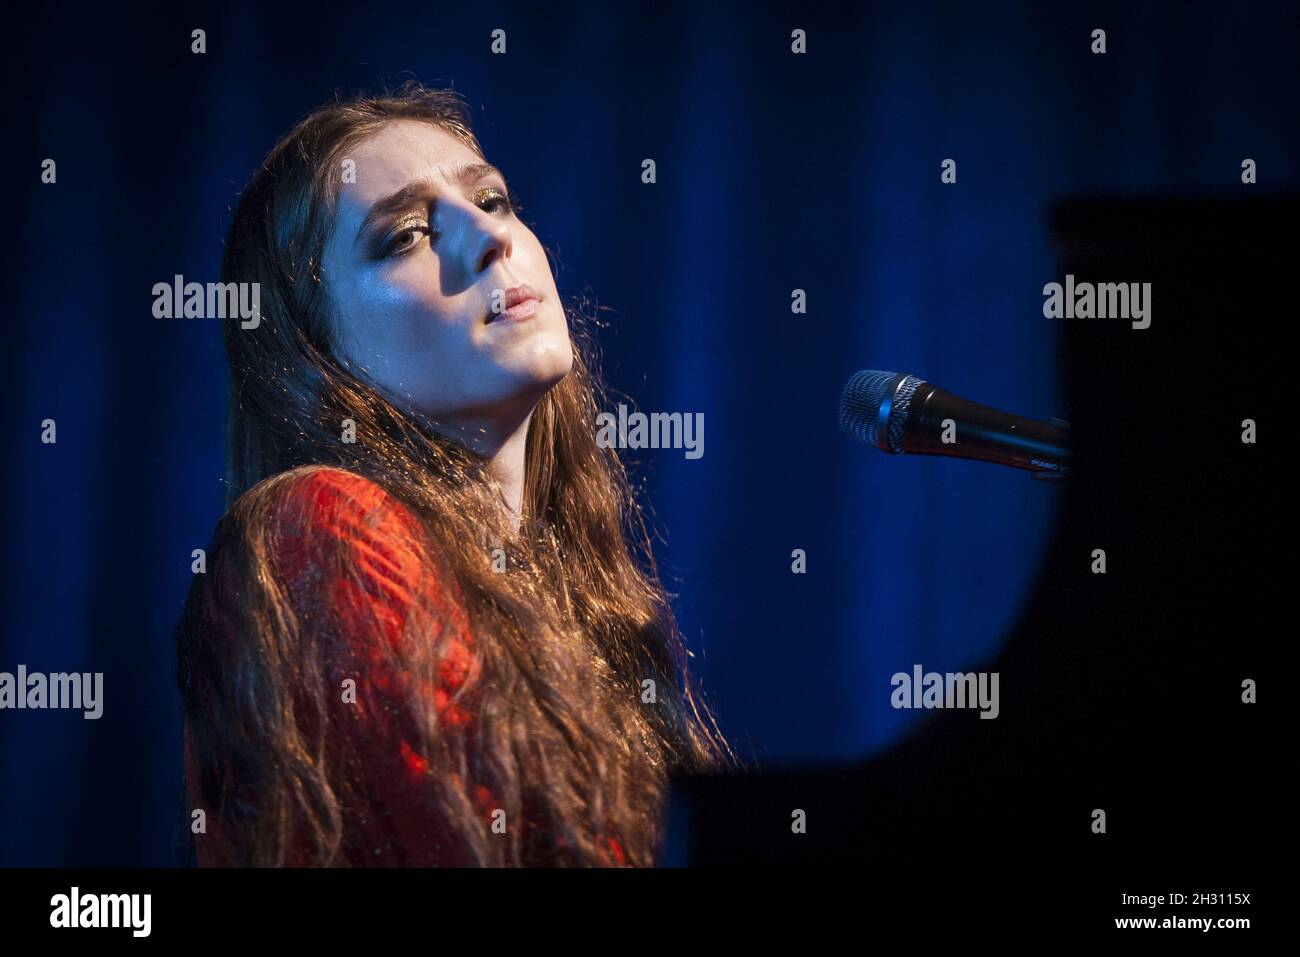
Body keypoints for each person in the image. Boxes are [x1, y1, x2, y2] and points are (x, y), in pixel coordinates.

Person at [174, 83, 737, 867]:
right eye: (407, 234)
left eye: (493, 199)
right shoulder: (319, 525)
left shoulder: (578, 599)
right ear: (314, 351)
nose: (489, 235)